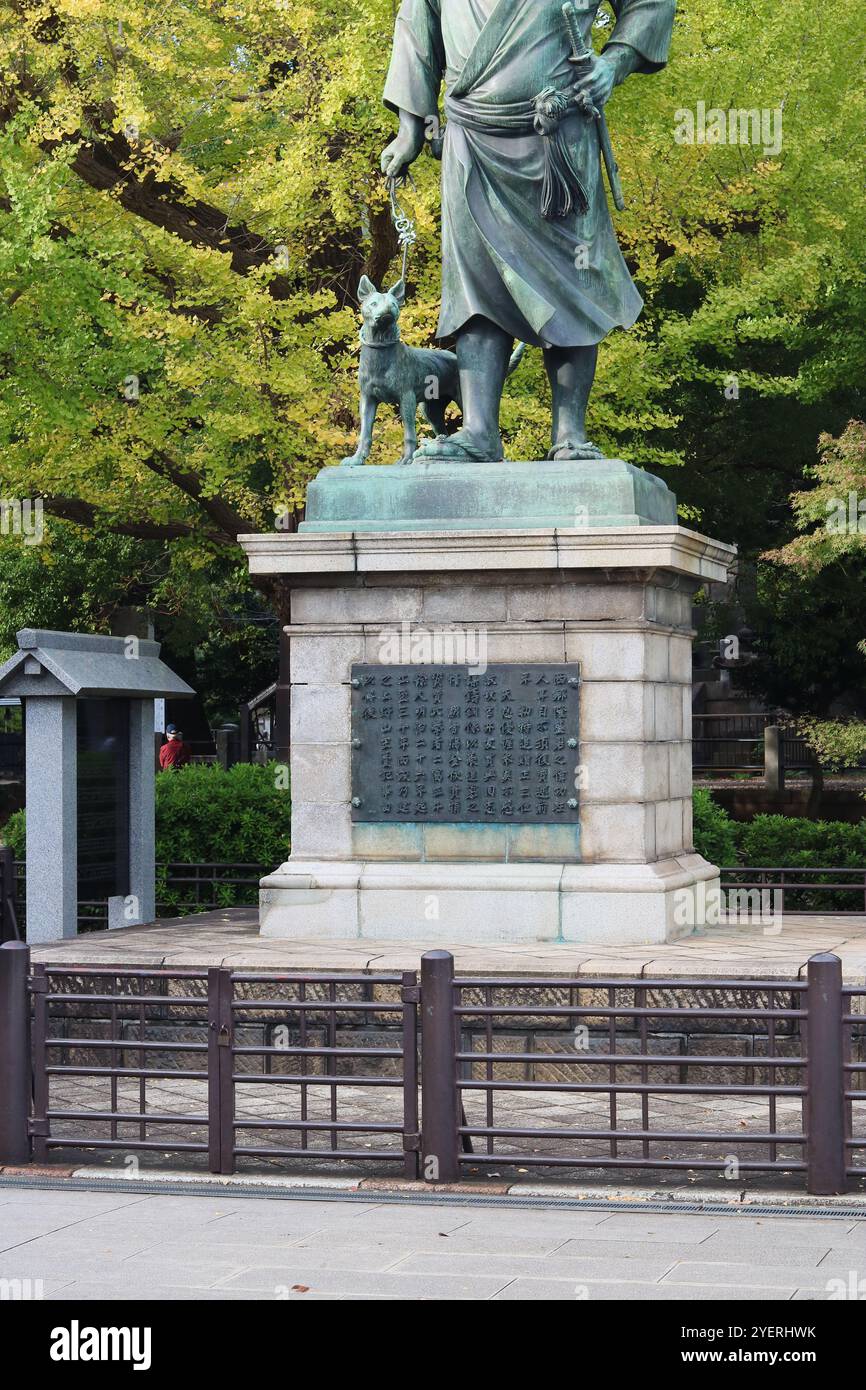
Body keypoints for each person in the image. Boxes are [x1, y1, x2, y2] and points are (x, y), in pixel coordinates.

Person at [380, 0, 676, 463]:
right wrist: (409, 127)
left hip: (557, 134)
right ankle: (478, 431)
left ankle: (570, 434)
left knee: (572, 284)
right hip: (469, 137)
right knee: (476, 284)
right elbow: (417, 22)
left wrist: (612, 66)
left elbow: (649, 4)